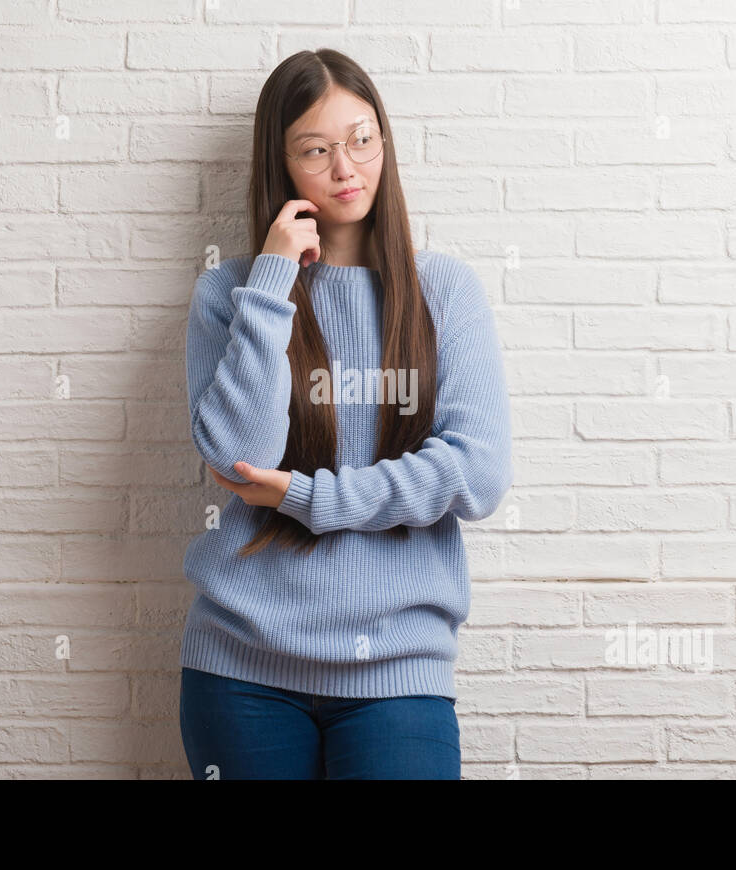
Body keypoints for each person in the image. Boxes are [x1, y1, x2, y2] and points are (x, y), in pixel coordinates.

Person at [177, 48, 513, 779]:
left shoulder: (444, 292)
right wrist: (271, 282)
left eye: (361, 139)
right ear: (282, 165)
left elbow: (476, 475)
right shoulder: (229, 294)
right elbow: (238, 454)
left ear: (384, 141)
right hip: (242, 668)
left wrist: (309, 497)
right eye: (315, 150)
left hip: (398, 671)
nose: (345, 167)